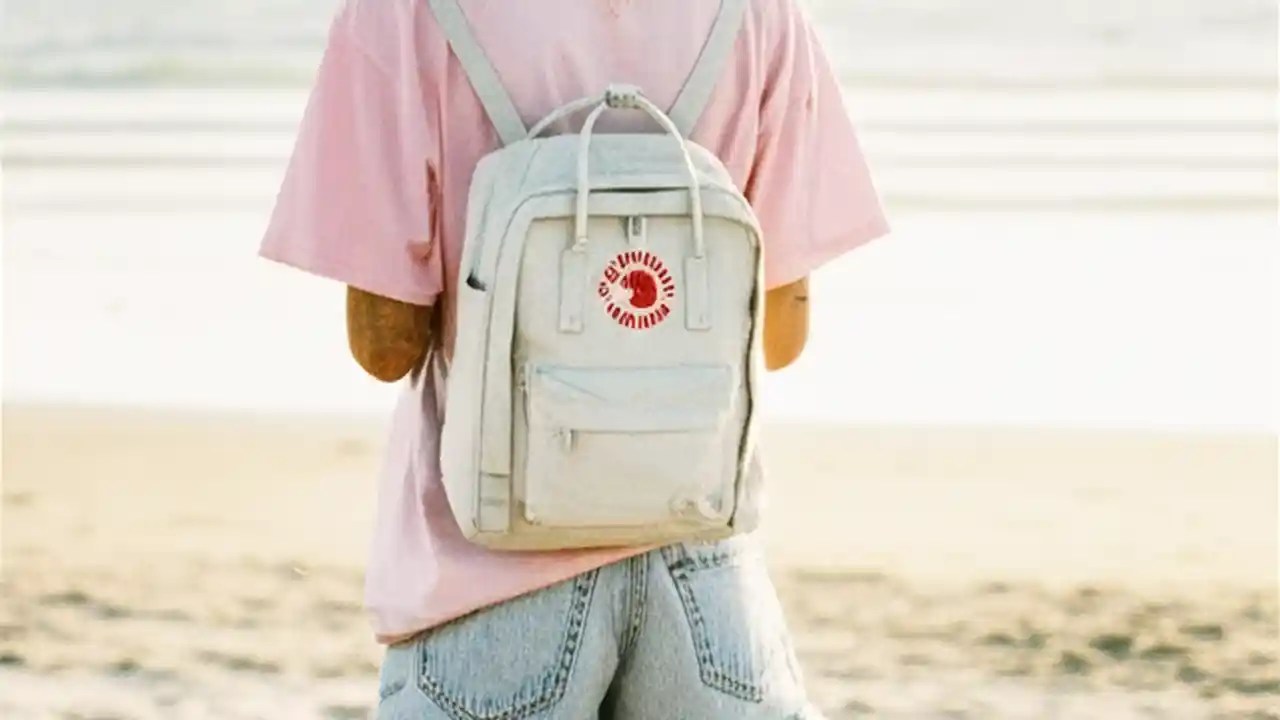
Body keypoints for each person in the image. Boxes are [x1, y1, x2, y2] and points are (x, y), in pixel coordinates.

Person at [260, 0, 888, 716]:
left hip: (491, 575)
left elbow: (384, 344)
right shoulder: (761, 14)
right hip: (702, 570)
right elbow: (780, 336)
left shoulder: (401, 14)